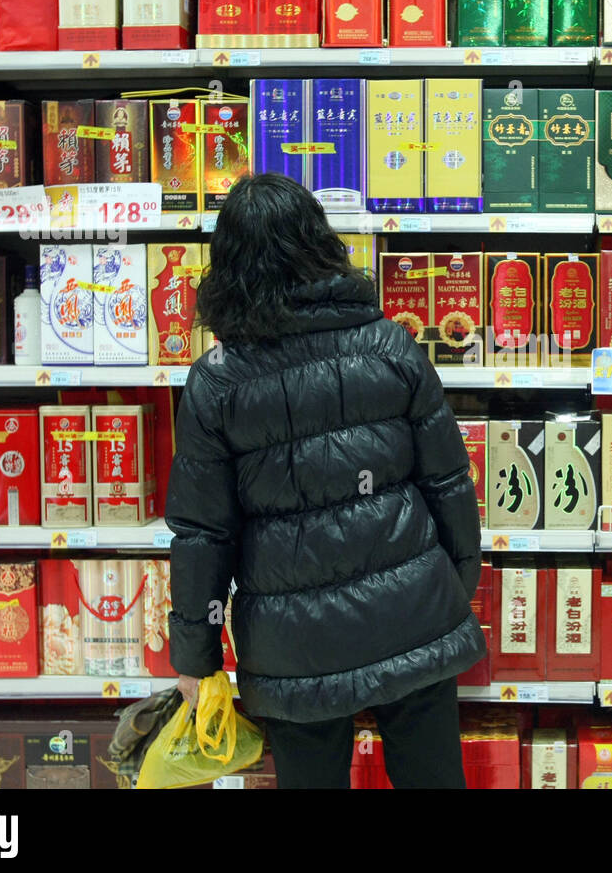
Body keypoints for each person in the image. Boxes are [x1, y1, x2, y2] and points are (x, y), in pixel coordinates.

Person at [165, 173, 485, 789]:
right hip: (412, 612)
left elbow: (204, 533)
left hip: (292, 645)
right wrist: (453, 586)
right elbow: (449, 481)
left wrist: (195, 658)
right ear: (321, 243)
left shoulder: (217, 383)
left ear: (227, 266)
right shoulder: (392, 347)